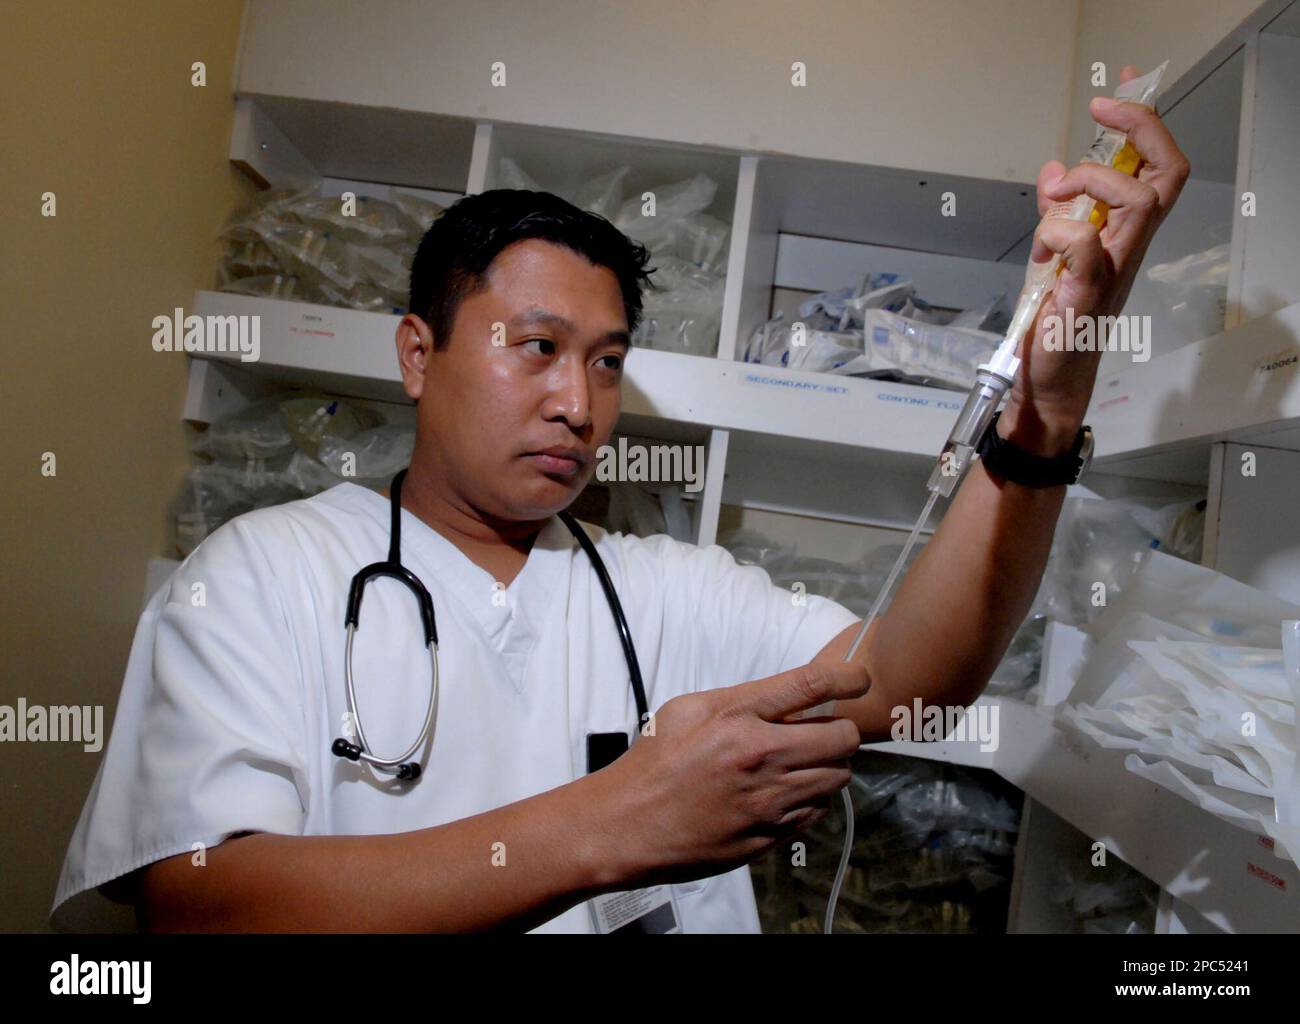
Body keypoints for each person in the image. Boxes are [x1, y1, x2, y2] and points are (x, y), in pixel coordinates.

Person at [51, 73, 1189, 933]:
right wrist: (614, 823)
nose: (577, 403)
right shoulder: (261, 575)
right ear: (416, 352)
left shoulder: (652, 588)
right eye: (536, 348)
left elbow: (909, 683)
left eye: (605, 362)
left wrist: (1039, 421)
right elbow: (196, 898)